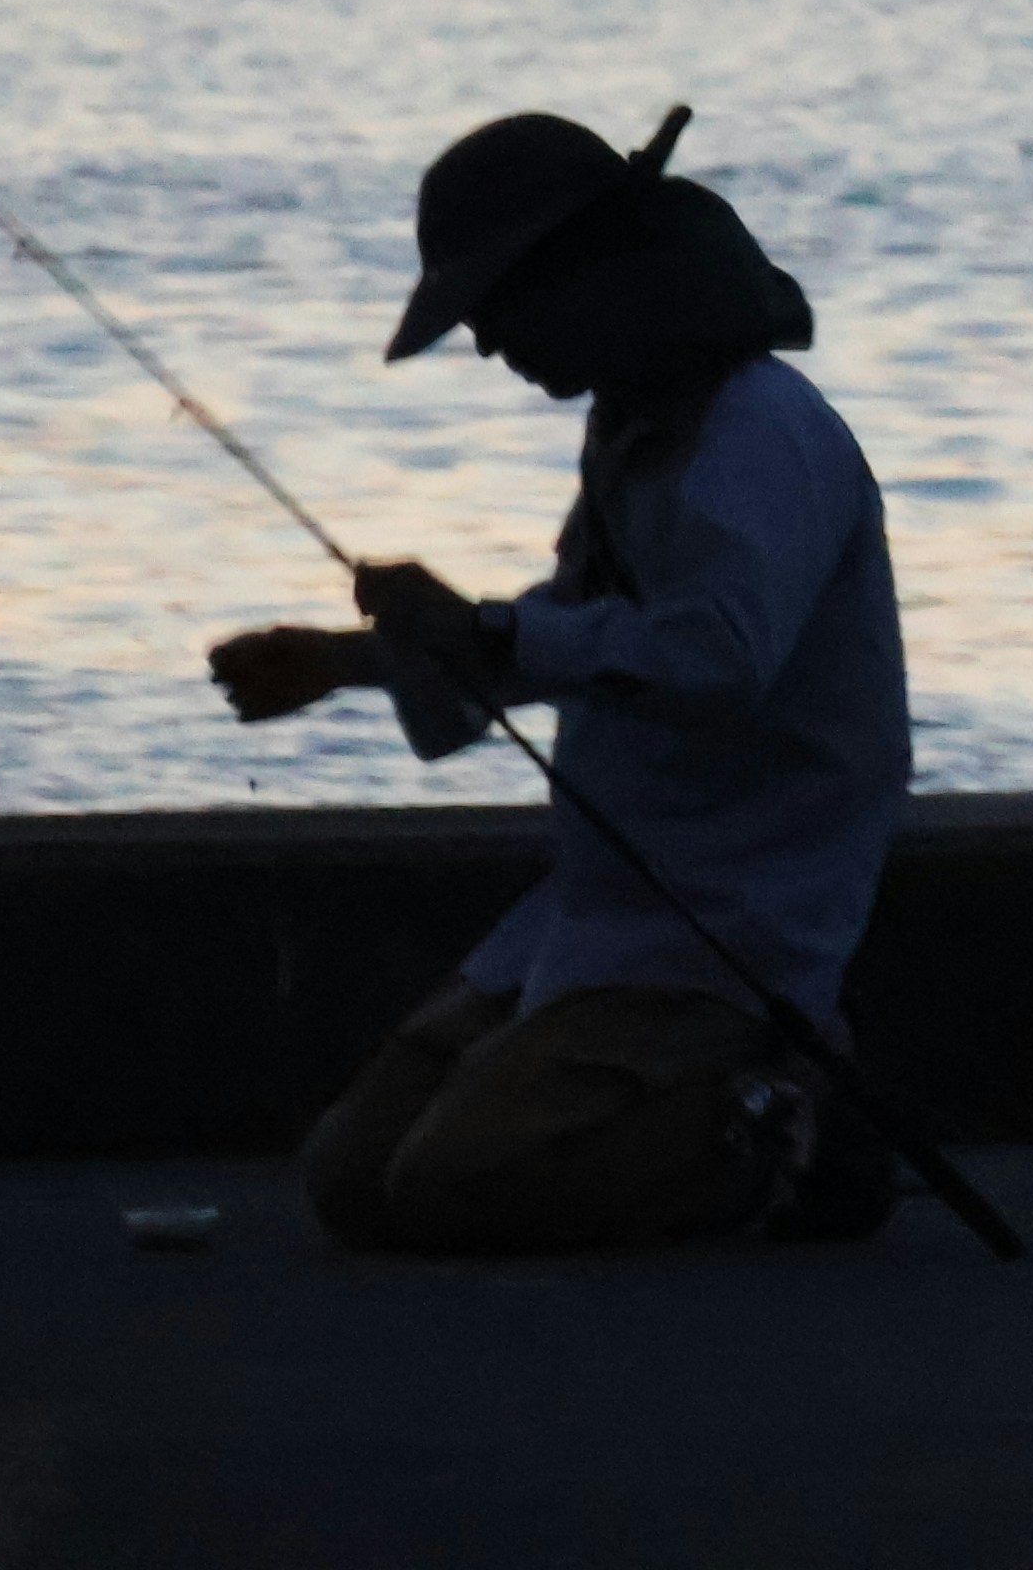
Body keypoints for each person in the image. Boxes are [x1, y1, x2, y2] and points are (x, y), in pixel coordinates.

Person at [208, 106, 911, 1253]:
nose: (489, 343)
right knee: (355, 1178)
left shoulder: (762, 434)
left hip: (736, 920)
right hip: (599, 914)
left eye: (497, 308)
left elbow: (717, 660)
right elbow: (580, 631)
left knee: (456, 1187)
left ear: (591, 276)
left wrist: (485, 629)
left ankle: (791, 1128)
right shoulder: (636, 435)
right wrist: (351, 664)